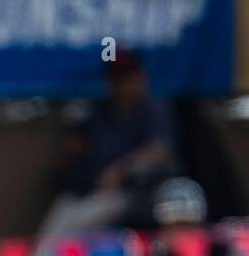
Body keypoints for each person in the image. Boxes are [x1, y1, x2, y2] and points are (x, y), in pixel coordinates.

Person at [38, 51, 175, 242]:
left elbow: (160, 151)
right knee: (62, 211)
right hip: (88, 191)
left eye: (127, 77)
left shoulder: (152, 110)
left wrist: (121, 170)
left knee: (77, 221)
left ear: (140, 77)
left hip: (131, 195)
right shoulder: (101, 111)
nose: (122, 83)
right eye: (116, 77)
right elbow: (77, 148)